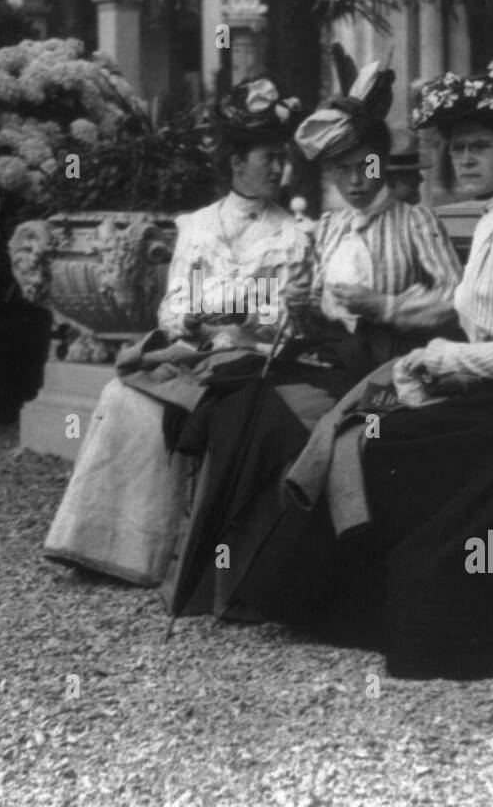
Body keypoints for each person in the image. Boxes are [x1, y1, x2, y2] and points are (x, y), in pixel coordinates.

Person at [280, 62, 493, 680]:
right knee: (372, 433)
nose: (465, 160)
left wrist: (437, 360)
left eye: (482, 147)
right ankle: (368, 610)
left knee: (383, 443)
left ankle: (426, 615)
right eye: (458, 148)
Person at [160, 58, 464, 617]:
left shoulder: (414, 222)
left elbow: (456, 305)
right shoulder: (330, 228)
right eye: (340, 169)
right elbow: (308, 313)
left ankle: (300, 585)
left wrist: (386, 306)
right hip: (333, 362)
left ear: (380, 160)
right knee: (242, 411)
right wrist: (297, 307)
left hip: (395, 371)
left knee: (280, 422)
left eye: (362, 165)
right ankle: (228, 581)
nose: (353, 180)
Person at [42, 78, 310, 586]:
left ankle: (168, 553)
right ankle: (104, 545)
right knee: (124, 395)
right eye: (267, 157)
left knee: (186, 404)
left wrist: (242, 312)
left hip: (254, 358)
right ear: (236, 163)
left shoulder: (296, 233)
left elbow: (288, 319)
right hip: (196, 352)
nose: (278, 168)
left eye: (281, 157)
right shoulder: (197, 226)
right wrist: (194, 317)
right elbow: (173, 310)